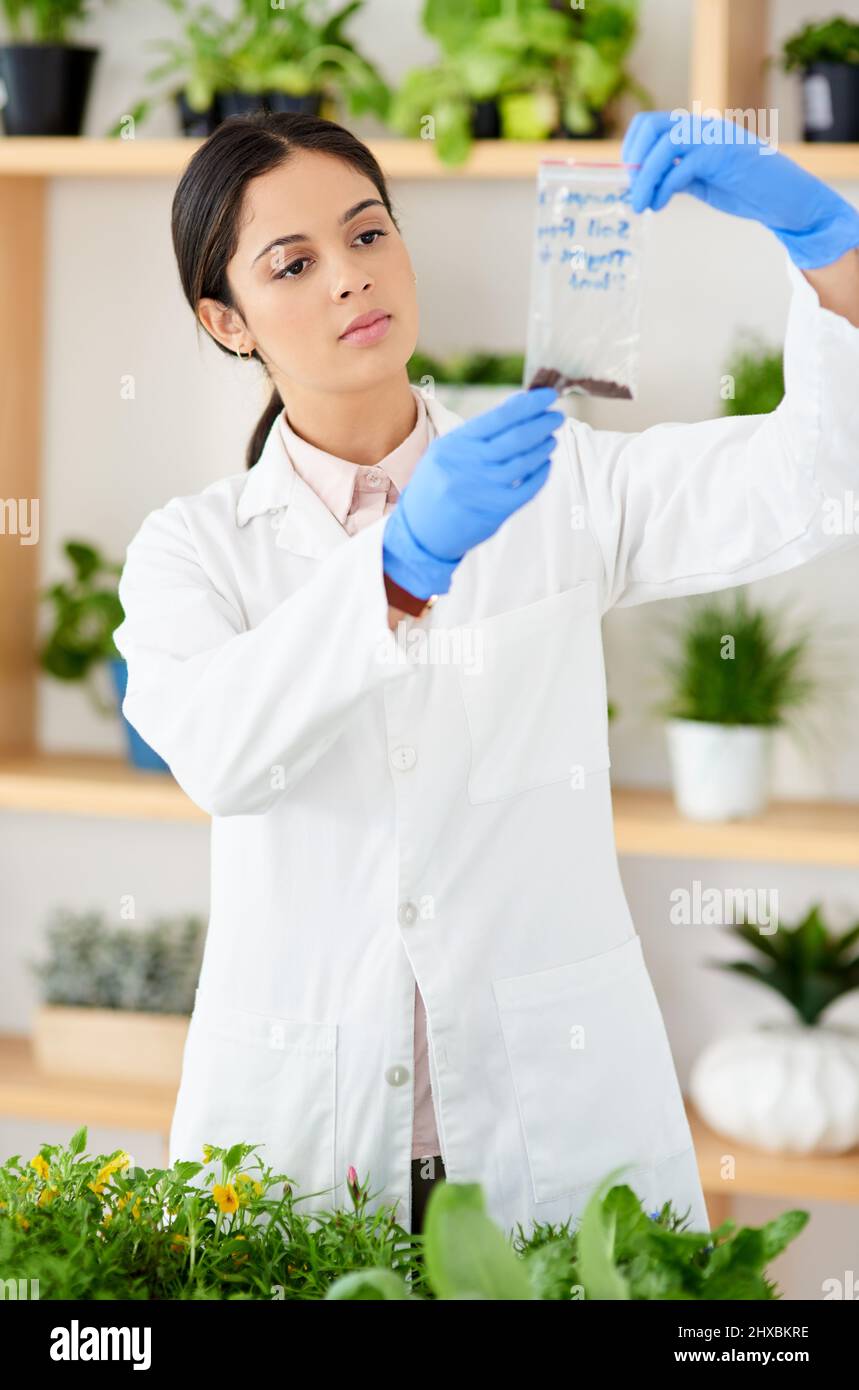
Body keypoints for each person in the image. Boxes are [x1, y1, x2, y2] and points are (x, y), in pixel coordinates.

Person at [112, 108, 859, 1240]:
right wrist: (400, 565)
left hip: (548, 1121)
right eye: (294, 263)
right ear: (226, 320)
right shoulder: (192, 549)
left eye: (369, 235)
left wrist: (824, 241)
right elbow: (221, 752)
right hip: (301, 1136)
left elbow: (814, 482)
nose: (350, 279)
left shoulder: (561, 484)